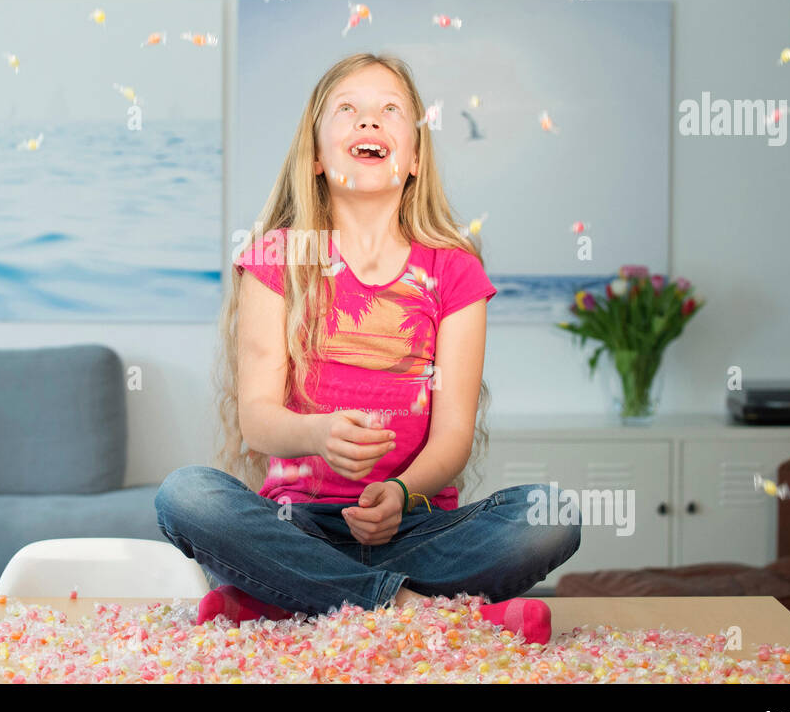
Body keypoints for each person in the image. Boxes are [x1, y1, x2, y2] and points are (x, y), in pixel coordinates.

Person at [154, 52, 580, 644]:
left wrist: (404, 493)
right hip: (296, 525)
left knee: (550, 514)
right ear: (316, 155)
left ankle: (288, 597)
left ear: (414, 158)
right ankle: (408, 608)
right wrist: (317, 435)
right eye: (348, 111)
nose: (369, 122)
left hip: (416, 526)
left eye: (389, 112)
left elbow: (453, 435)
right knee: (187, 495)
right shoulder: (277, 257)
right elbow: (257, 419)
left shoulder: (454, 270)